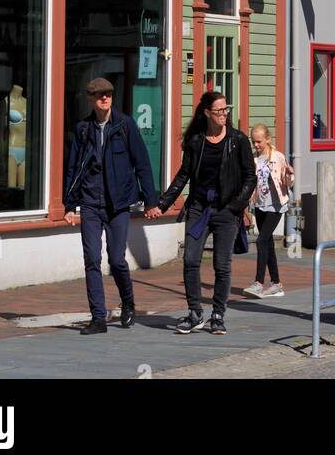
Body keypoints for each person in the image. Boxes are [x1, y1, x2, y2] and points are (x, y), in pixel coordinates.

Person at [149, 91, 255, 335]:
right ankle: (195, 313)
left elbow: (249, 176)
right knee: (191, 260)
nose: (224, 115)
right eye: (219, 111)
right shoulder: (196, 141)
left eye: (226, 110)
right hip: (199, 208)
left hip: (227, 210)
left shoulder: (238, 140)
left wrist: (236, 205)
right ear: (207, 113)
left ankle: (218, 314)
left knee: (222, 265)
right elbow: (183, 175)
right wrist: (162, 204)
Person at [63, 77, 158, 335]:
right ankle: (98, 318)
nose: (105, 98)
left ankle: (128, 301)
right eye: (99, 95)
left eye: (108, 94)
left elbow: (142, 163)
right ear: (91, 99)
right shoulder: (84, 129)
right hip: (91, 203)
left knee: (116, 259)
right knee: (92, 259)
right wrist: (69, 205)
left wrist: (151, 201)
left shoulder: (125, 125)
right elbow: (72, 169)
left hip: (118, 204)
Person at [243, 125, 294, 298]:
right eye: (253, 141)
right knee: (268, 243)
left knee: (261, 240)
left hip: (277, 205)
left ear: (267, 139)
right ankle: (276, 284)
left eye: (258, 141)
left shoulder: (278, 157)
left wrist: (290, 175)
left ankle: (258, 283)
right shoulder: (254, 159)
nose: (256, 145)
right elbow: (251, 181)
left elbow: (287, 182)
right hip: (260, 204)